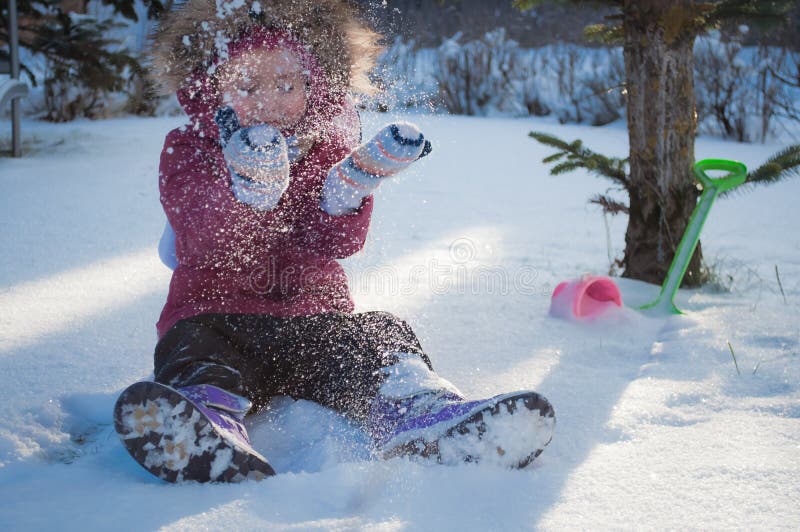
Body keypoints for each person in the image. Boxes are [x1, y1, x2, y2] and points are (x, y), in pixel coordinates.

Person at [114, 0, 554, 483]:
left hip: (313, 320)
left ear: (312, 85)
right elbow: (203, 238)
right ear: (213, 87)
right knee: (193, 349)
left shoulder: (325, 146)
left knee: (381, 334)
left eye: (287, 85)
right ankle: (204, 420)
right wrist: (247, 191)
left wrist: (344, 196)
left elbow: (336, 244)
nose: (271, 100)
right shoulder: (189, 146)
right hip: (216, 315)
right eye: (248, 85)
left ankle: (420, 410)